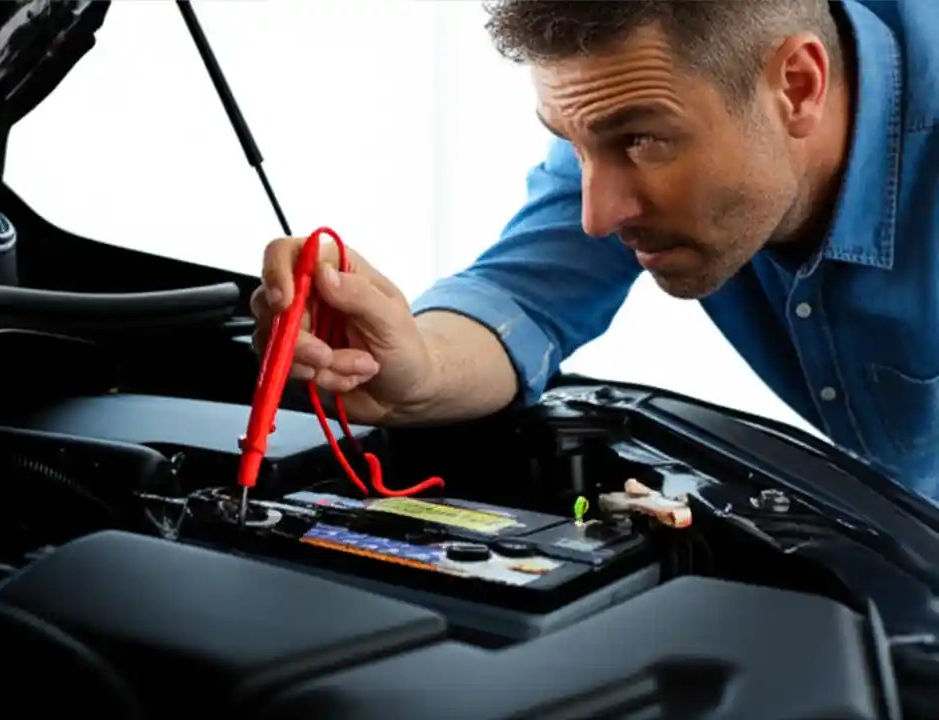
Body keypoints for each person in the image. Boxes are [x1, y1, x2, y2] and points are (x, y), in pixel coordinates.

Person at [249, 0, 939, 500]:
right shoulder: (639, 93)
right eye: (574, 144)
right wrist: (413, 365)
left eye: (641, 141)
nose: (597, 215)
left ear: (797, 87)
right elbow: (524, 299)